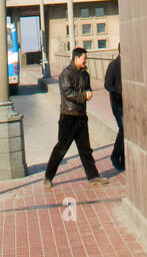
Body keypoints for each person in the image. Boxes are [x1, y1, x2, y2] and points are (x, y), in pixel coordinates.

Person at [43, 47, 109, 188]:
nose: (86, 61)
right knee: (61, 148)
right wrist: (83, 96)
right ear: (76, 58)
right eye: (84, 59)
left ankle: (93, 176)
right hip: (68, 117)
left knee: (85, 149)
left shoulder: (85, 74)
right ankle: (48, 176)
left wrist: (88, 93)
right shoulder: (66, 74)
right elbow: (68, 92)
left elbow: (88, 88)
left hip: (81, 115)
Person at [104, 44, 124, 171]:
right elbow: (107, 85)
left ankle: (123, 158)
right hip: (117, 103)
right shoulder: (114, 65)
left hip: (127, 103)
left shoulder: (130, 64)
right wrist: (119, 90)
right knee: (124, 128)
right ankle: (115, 156)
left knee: (126, 130)